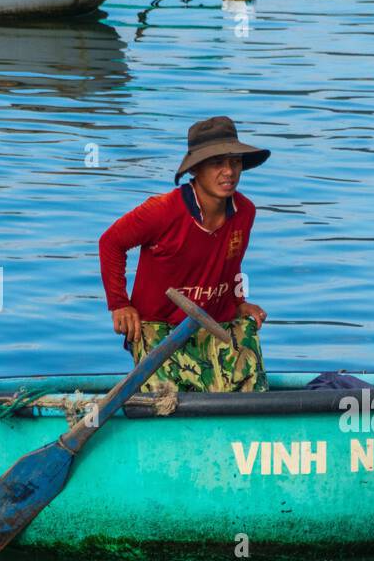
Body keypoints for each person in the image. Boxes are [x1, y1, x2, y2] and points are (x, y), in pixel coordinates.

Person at [99, 115, 270, 392]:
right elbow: (110, 243)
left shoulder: (245, 212)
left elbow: (231, 263)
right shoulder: (162, 210)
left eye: (235, 162)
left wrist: (239, 302)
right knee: (168, 400)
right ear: (196, 170)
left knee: (247, 338)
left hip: (214, 324)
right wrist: (120, 303)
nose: (228, 172)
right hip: (160, 328)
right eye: (217, 163)